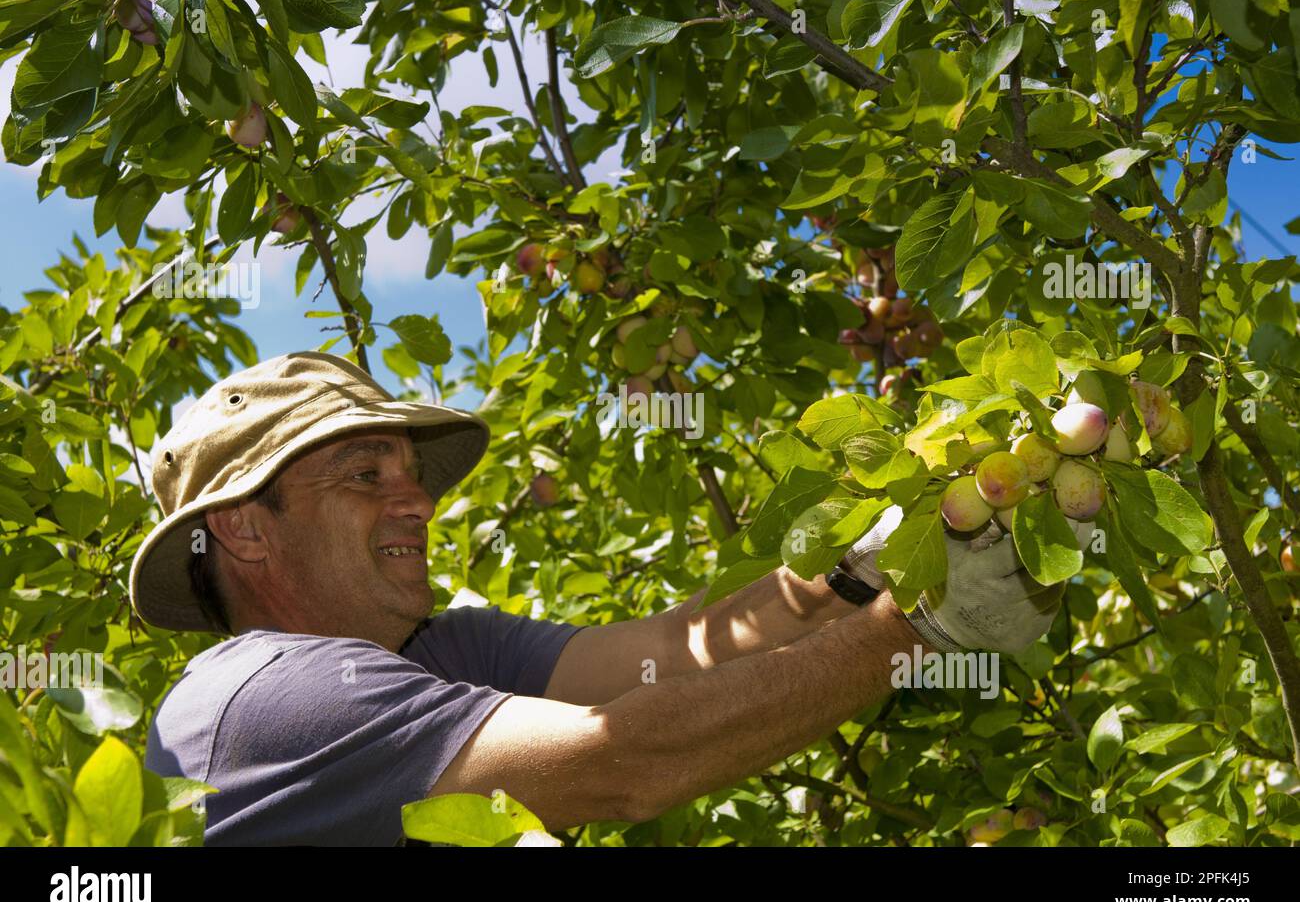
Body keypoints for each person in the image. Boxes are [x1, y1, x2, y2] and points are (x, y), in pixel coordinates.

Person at [133, 351, 1075, 845]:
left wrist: (853, 576)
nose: (415, 498)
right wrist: (913, 634)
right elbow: (618, 764)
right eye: (363, 475)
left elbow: (676, 652)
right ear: (248, 530)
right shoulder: (269, 694)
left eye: (409, 472)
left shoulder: (439, 653)